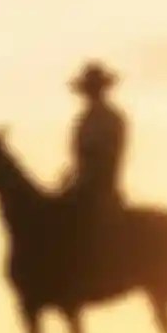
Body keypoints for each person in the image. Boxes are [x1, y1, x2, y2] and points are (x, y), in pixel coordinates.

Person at [61, 60, 127, 224]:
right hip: (80, 184)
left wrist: (86, 177)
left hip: (102, 187)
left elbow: (109, 157)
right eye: (89, 89)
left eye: (94, 89)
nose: (90, 94)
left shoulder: (111, 119)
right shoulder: (83, 120)